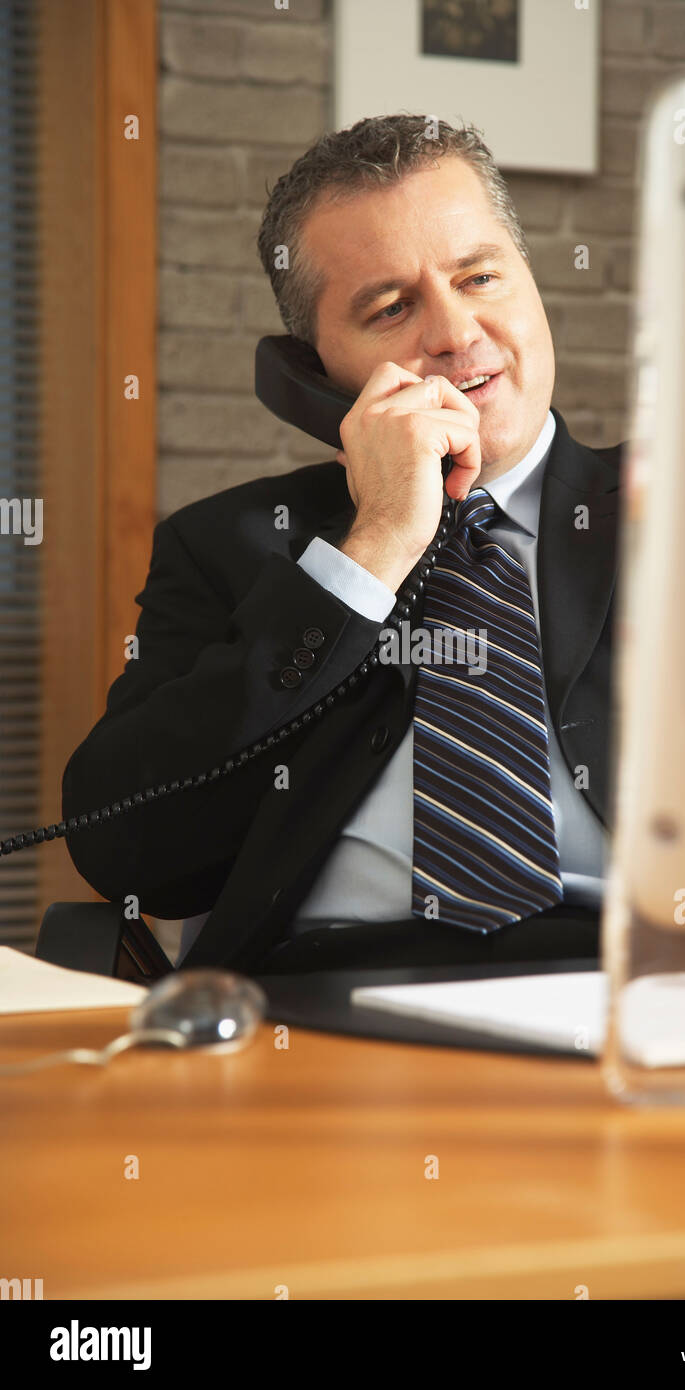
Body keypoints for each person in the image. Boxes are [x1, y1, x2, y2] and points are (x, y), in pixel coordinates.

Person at [61, 114, 623, 974]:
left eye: (479, 276)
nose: (453, 333)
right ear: (314, 375)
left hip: (646, 997)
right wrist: (371, 555)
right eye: (391, 307)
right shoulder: (231, 547)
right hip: (326, 1011)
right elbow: (127, 849)